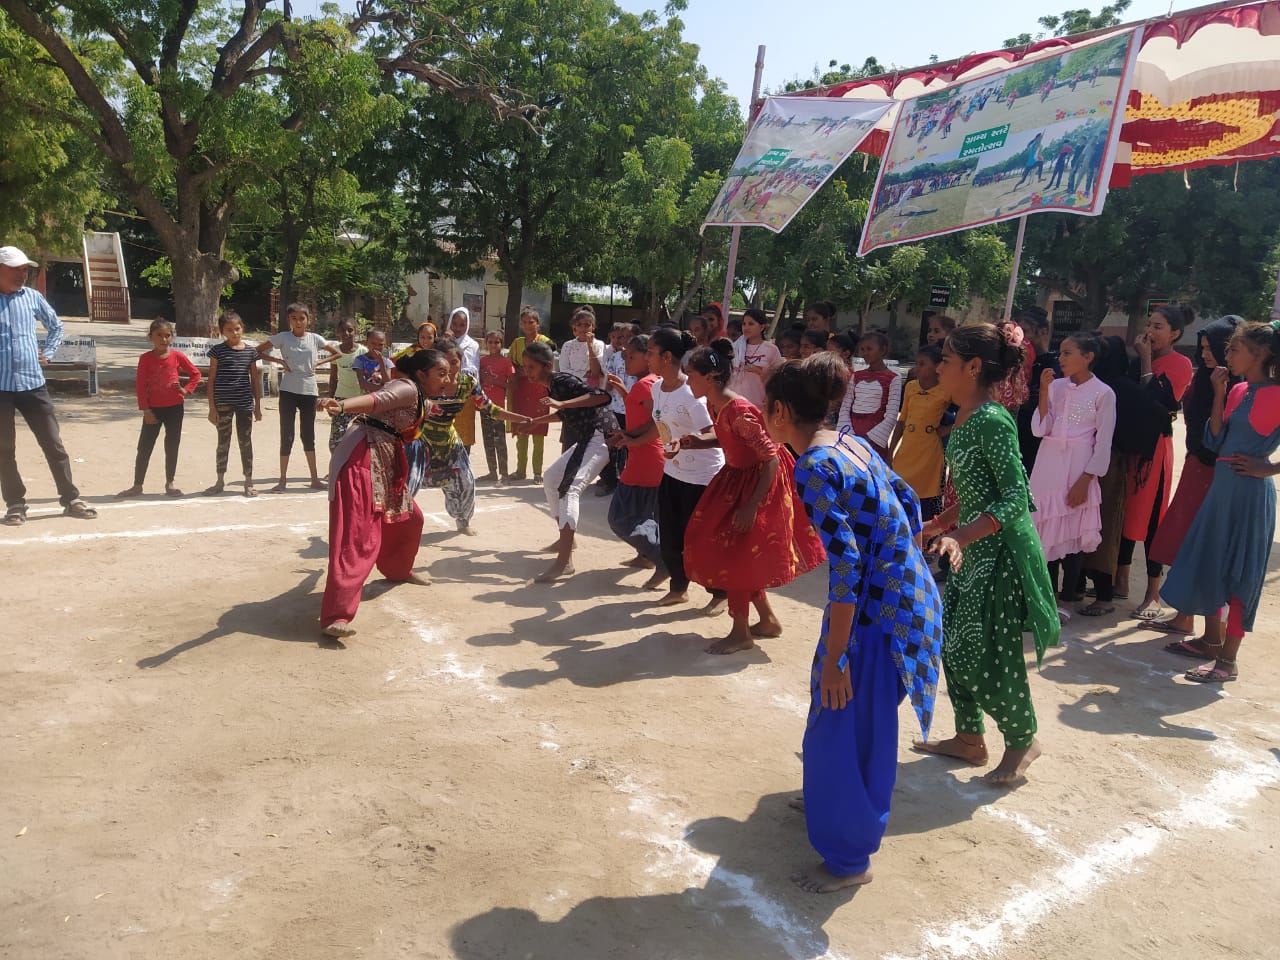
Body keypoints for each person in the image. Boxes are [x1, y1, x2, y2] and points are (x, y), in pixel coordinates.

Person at [762, 353, 943, 893]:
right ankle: (831, 802)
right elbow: (907, 498)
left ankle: (849, 860)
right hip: (903, 598)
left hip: (876, 616)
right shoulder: (851, 442)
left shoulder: (814, 467)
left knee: (845, 722)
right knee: (844, 718)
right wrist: (904, 563)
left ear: (779, 411)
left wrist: (838, 656)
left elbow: (846, 566)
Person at [914, 322, 1059, 785]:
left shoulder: (993, 420)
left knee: (990, 654)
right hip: (971, 551)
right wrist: (939, 525)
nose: (938, 368)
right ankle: (969, 739)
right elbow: (979, 490)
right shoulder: (967, 416)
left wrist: (962, 536)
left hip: (999, 557)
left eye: (947, 361)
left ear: (973, 367)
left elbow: (1016, 496)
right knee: (953, 646)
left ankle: (1022, 740)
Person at [683, 340, 825, 654]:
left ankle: (740, 633)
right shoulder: (715, 404)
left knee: (736, 555)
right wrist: (699, 442)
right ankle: (767, 619)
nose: (687, 380)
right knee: (742, 553)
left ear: (711, 377)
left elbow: (771, 458)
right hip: (738, 478)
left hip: (760, 482)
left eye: (691, 375)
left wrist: (751, 507)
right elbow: (730, 439)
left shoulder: (739, 411)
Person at [1159, 321, 1280, 683]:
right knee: (1211, 564)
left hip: (1249, 495)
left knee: (1241, 574)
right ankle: (1211, 642)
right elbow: (1214, 440)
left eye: (1234, 349)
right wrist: (1218, 393)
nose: (1227, 355)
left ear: (1259, 354)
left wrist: (1269, 467)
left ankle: (1228, 661)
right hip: (1221, 490)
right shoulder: (1238, 389)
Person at [317, 349, 445, 639]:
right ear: (422, 374)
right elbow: (378, 400)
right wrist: (341, 405)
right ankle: (337, 615)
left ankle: (398, 570)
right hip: (361, 457)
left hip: (383, 457)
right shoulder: (407, 387)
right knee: (359, 535)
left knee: (411, 519)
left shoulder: (422, 398)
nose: (447, 379)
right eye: (441, 373)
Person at [1146, 315, 1243, 637]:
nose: (1205, 354)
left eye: (1212, 347)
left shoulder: (1237, 386)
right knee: (1185, 540)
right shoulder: (1205, 378)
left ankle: (1208, 629)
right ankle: (1184, 616)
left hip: (1219, 472)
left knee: (1206, 544)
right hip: (1196, 464)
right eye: (1202, 348)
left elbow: (1223, 433)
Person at [0, 245, 97, 523]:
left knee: (53, 444)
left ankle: (71, 498)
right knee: (4, 450)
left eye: (24, 270)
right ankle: (15, 504)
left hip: (33, 383)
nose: (22, 274)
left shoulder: (32, 297)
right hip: (1, 389)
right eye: (16, 269)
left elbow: (56, 325)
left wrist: (50, 353)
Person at [1076, 336, 1169, 616]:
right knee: (1081, 526)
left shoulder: (1115, 389)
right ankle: (1077, 587)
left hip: (1108, 468)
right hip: (1086, 464)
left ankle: (1105, 595)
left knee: (1103, 529)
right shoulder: (1091, 385)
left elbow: (1160, 417)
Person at [1028, 333, 1115, 613]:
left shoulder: (1103, 393)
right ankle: (1047, 596)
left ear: (1087, 357)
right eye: (1060, 353)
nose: (1061, 359)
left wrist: (1087, 479)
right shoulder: (1057, 386)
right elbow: (1040, 429)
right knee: (1046, 526)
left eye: (1068, 353)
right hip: (1049, 463)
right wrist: (1044, 392)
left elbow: (1103, 443)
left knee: (1072, 530)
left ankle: (1068, 596)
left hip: (1079, 465)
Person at [1118, 304, 1194, 618]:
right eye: (1150, 324)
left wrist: (1147, 360)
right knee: (1124, 511)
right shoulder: (1138, 358)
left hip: (1155, 450)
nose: (1150, 331)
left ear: (1175, 333)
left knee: (1151, 518)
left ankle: (1153, 593)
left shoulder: (1181, 365)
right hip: (1132, 446)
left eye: (1158, 327)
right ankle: (1120, 579)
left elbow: (1159, 404)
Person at [644, 327, 727, 611]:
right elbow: (660, 426)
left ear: (667, 357)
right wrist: (631, 438)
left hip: (702, 477)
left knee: (701, 539)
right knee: (670, 537)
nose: (647, 357)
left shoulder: (692, 394)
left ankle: (720, 593)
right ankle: (678, 588)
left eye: (650, 352)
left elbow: (714, 434)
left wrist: (687, 443)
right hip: (673, 472)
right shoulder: (656, 388)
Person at [520, 340, 614, 582]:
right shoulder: (554, 386)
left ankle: (564, 562)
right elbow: (565, 414)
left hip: (600, 436)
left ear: (547, 365)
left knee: (569, 489)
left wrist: (562, 403)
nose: (527, 372)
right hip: (588, 438)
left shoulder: (561, 381)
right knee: (552, 478)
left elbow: (601, 396)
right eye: (525, 367)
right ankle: (567, 541)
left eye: (531, 367)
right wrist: (534, 422)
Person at [427, 337, 525, 534]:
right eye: (444, 364)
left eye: (454, 362)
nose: (450, 368)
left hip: (449, 440)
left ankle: (463, 522)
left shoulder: (468, 383)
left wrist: (519, 418)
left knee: (466, 482)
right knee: (408, 483)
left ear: (461, 361)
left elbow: (490, 408)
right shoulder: (425, 383)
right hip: (422, 441)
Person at [257, 303, 339, 492]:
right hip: (288, 391)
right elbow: (258, 350)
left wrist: (319, 362)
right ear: (289, 320)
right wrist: (279, 361)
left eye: (302, 318)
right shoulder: (283, 337)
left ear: (308, 319)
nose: (298, 322)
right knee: (287, 435)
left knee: (308, 435)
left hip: (309, 391)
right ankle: (282, 480)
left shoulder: (315, 339)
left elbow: (337, 353)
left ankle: (314, 479)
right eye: (294, 318)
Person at [117, 318, 202, 498]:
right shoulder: (145, 359)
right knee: (144, 447)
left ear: (172, 337)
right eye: (159, 335)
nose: (164, 339)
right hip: (153, 410)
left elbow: (195, 374)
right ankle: (137, 485)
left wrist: (185, 390)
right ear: (150, 337)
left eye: (167, 335)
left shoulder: (177, 356)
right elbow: (140, 386)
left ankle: (170, 483)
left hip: (175, 408)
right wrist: (146, 410)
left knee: (172, 446)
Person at [606, 334, 666, 585]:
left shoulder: (645, 385)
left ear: (648, 357)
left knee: (619, 516)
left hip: (645, 458)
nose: (626, 361)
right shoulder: (653, 382)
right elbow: (648, 416)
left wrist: (631, 439)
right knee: (645, 512)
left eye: (632, 356)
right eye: (625, 356)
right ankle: (646, 556)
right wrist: (624, 392)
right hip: (652, 457)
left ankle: (662, 559)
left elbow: (658, 422)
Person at [887, 344, 950, 519]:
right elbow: (902, 420)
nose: (916, 368)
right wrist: (891, 452)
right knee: (900, 492)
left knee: (925, 498)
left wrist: (947, 429)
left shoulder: (946, 390)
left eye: (922, 364)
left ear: (937, 367)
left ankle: (923, 532)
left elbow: (966, 410)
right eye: (917, 363)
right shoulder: (911, 387)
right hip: (907, 449)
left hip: (929, 451)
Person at [205, 310, 262, 498]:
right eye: (229, 330)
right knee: (223, 442)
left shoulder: (250, 352)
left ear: (242, 328)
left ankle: (249, 481)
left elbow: (255, 379)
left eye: (237, 328)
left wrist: (258, 406)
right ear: (222, 331)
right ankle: (219, 481)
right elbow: (211, 379)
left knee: (245, 441)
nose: (234, 333)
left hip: (244, 403)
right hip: (222, 403)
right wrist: (211, 407)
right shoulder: (217, 351)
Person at [506, 306, 554, 482]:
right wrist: (518, 372)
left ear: (538, 324)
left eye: (531, 322)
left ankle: (537, 472)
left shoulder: (545, 342)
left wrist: (528, 370)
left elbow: (549, 364)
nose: (527, 325)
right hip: (521, 389)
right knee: (522, 430)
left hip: (539, 388)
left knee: (538, 431)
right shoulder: (517, 343)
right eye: (525, 322)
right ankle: (520, 470)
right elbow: (510, 364)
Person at [839, 330, 901, 459]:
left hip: (875, 438)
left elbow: (891, 415)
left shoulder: (893, 379)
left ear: (883, 350)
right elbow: (846, 406)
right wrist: (849, 434)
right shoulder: (856, 376)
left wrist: (870, 438)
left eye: (869, 349)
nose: (865, 353)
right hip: (852, 434)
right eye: (862, 349)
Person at [598, 322, 637, 496]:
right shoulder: (615, 358)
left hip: (633, 410)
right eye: (622, 337)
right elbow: (608, 382)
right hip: (615, 408)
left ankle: (628, 481)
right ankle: (609, 481)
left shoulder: (641, 359)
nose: (625, 340)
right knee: (612, 445)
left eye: (629, 336)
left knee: (630, 447)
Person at [478, 331, 516, 483]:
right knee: (487, 439)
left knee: (500, 440)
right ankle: (492, 472)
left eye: (497, 342)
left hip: (498, 408)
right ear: (486, 343)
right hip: (484, 406)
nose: (493, 345)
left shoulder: (506, 362)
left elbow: (512, 385)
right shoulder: (482, 361)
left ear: (502, 344)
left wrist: (495, 382)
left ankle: (504, 474)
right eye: (490, 342)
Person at [323, 318, 366, 453]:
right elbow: (333, 378)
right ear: (337, 332)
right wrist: (331, 400)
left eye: (350, 330)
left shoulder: (363, 351)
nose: (346, 333)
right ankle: (336, 465)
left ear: (356, 332)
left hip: (360, 400)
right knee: (336, 440)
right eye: (342, 330)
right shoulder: (335, 352)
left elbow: (369, 376)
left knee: (360, 437)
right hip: (340, 400)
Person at [728, 307, 781, 411]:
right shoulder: (736, 348)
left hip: (760, 406)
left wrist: (758, 371)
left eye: (751, 324)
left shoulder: (771, 349)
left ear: (762, 327)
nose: (746, 327)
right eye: (744, 324)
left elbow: (777, 379)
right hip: (736, 403)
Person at [447, 307, 480, 451]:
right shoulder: (442, 343)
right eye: (454, 324)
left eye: (462, 325)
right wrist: (444, 341)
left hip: (466, 395)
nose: (458, 328)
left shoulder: (473, 345)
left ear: (467, 325)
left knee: (465, 435)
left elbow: (475, 370)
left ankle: (464, 461)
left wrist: (477, 394)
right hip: (446, 393)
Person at [351, 329, 394, 393]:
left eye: (380, 344)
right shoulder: (360, 360)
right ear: (366, 343)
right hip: (366, 397)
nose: (377, 347)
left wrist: (381, 362)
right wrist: (384, 389)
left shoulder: (387, 362)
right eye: (373, 343)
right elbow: (362, 384)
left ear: (384, 345)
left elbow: (387, 382)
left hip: (382, 398)